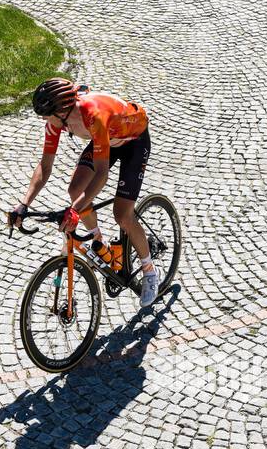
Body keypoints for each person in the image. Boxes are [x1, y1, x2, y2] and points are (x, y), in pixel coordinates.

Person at [9, 78, 160, 308]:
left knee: (122, 214)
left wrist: (74, 211)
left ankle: (149, 270)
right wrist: (24, 204)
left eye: (46, 114)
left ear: (62, 111)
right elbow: (45, 167)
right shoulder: (57, 121)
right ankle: (99, 243)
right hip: (108, 140)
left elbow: (101, 175)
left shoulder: (93, 116)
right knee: (75, 189)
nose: (43, 120)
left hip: (134, 140)